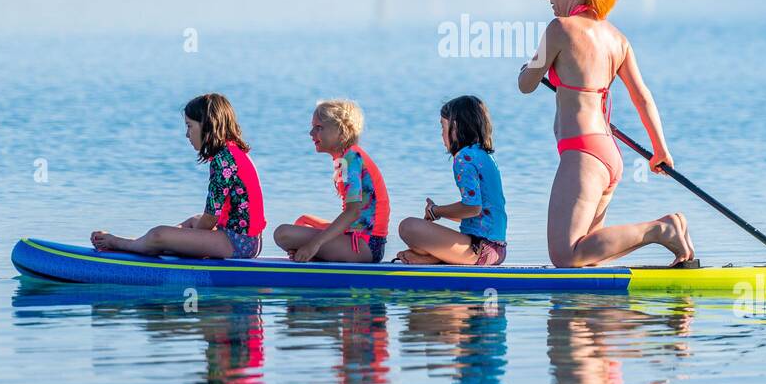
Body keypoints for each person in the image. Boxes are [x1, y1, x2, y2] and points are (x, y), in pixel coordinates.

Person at [517, 0, 694, 267]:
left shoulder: (560, 28)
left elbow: (526, 84)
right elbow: (643, 97)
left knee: (565, 256)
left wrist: (528, 68)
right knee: (586, 254)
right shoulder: (617, 39)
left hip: (582, 154)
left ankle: (661, 230)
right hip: (608, 154)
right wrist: (659, 150)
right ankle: (600, 311)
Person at [91, 93, 265, 259]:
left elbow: (212, 216)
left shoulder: (224, 160)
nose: (187, 134)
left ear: (207, 125)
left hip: (237, 243)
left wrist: (185, 242)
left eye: (190, 126)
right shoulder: (231, 152)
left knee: (158, 234)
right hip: (243, 239)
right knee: (191, 222)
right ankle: (147, 244)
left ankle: (125, 243)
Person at [273, 99, 390, 263]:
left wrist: (314, 244)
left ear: (341, 131)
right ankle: (317, 253)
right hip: (360, 239)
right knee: (303, 220)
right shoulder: (345, 158)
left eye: (318, 128)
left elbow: (353, 212)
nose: (311, 133)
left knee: (283, 234)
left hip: (366, 245)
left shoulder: (350, 159)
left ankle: (315, 253)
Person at [397, 95, 508, 266]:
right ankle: (434, 257)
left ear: (455, 127)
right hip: (496, 249)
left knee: (408, 227)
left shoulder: (464, 158)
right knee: (420, 237)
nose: (442, 134)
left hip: (479, 248)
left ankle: (435, 258)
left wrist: (437, 211)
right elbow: (477, 212)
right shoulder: (483, 156)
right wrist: (439, 212)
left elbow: (473, 208)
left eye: (443, 127)